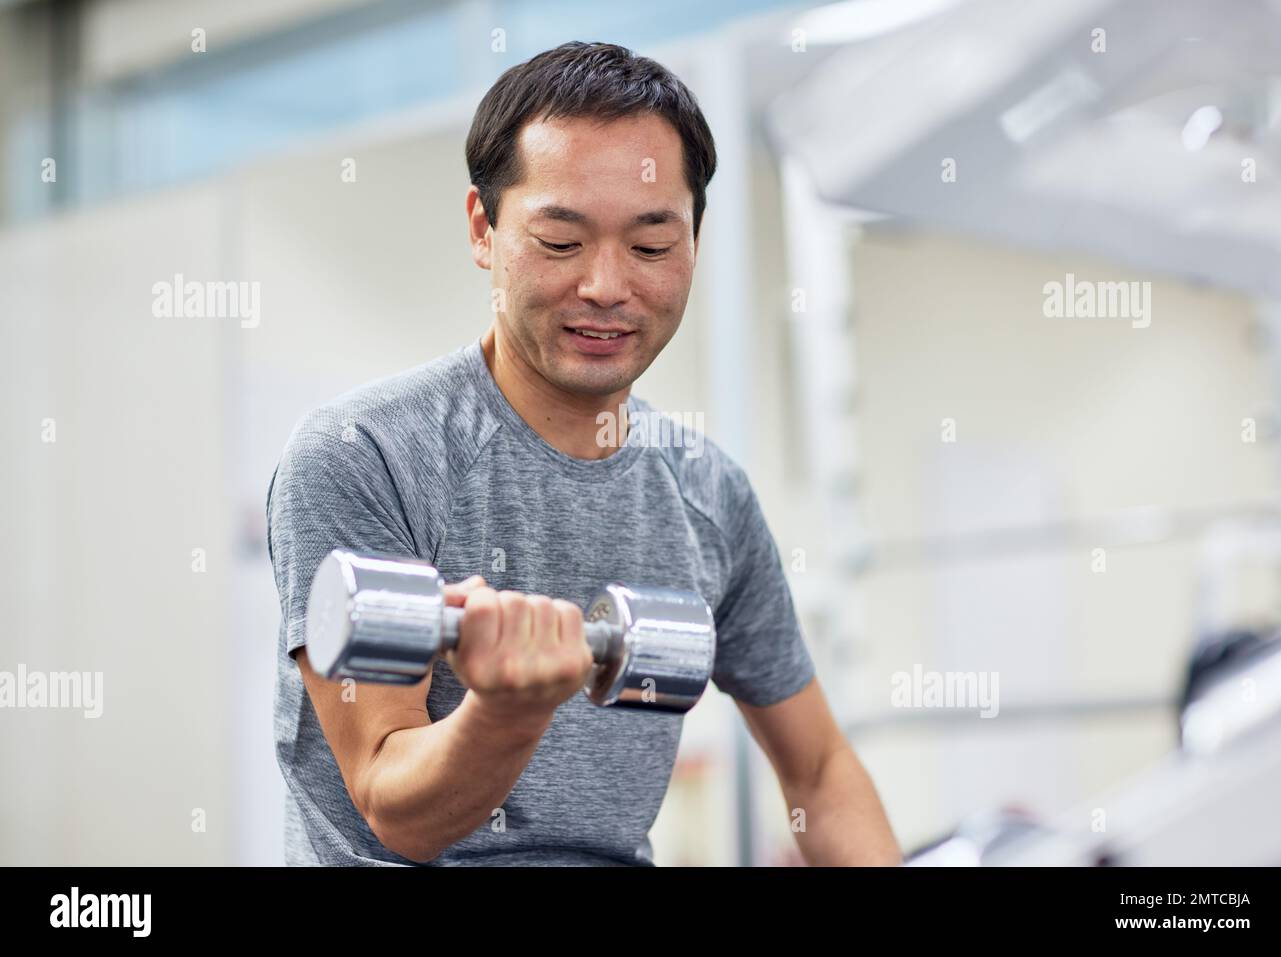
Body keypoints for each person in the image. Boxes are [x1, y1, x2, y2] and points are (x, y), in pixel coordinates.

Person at [267, 40, 900, 866]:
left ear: (695, 245)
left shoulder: (709, 494)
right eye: (561, 241)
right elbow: (397, 808)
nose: (606, 285)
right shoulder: (366, 454)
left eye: (648, 246)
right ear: (483, 230)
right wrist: (509, 708)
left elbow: (818, 767)